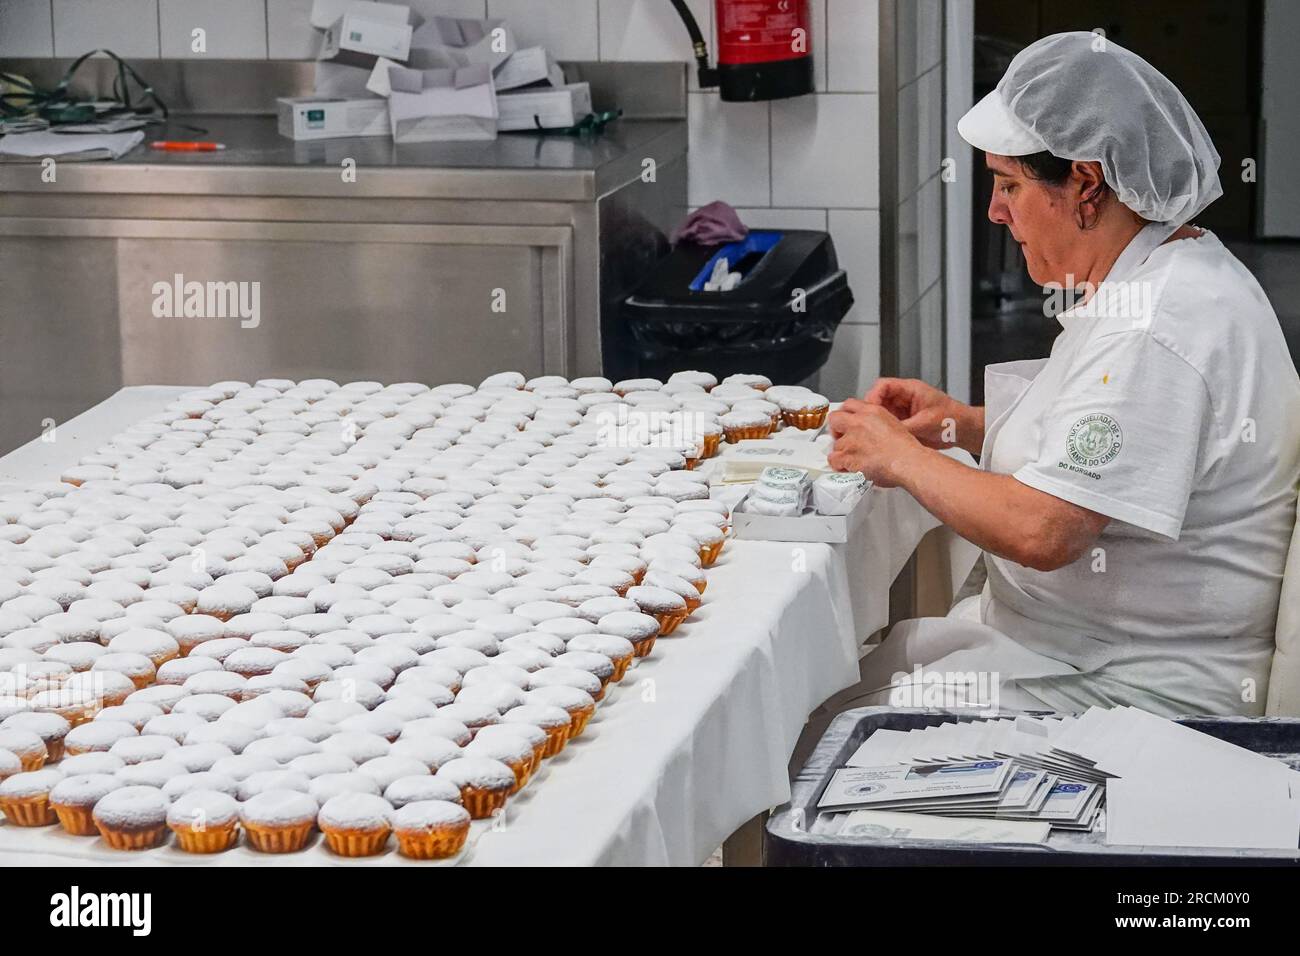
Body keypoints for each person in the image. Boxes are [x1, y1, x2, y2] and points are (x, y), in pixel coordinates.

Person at [828, 32, 1300, 717]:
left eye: (1010, 184)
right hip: (1071, 650)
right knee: (842, 691)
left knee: (831, 730)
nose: (994, 210)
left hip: (1128, 688)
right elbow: (1130, 447)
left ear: (1085, 183)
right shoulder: (1169, 273)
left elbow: (1046, 532)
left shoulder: (1157, 327)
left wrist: (898, 458)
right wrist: (963, 423)